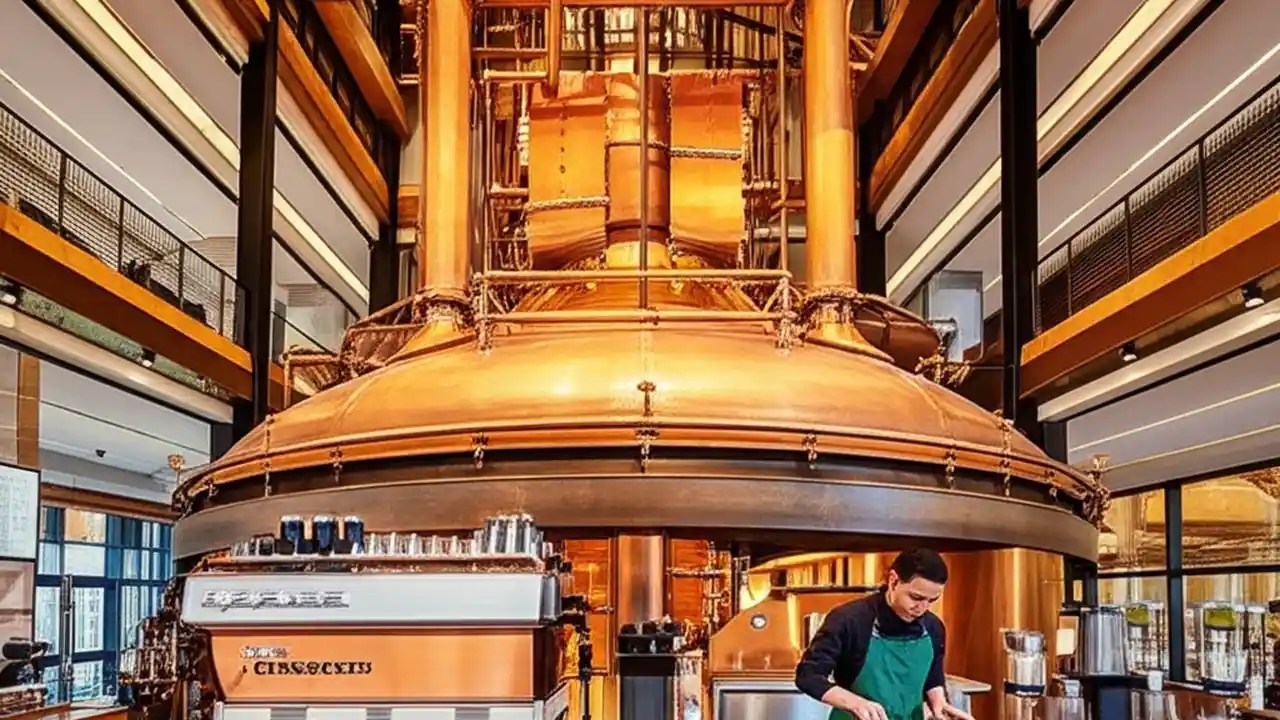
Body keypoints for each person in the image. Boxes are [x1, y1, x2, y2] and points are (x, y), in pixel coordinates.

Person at [795, 549, 974, 720]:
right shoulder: (849, 620)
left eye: (932, 600)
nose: (922, 608)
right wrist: (855, 703)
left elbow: (933, 677)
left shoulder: (933, 627)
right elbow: (808, 676)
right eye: (916, 598)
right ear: (893, 580)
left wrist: (939, 704)